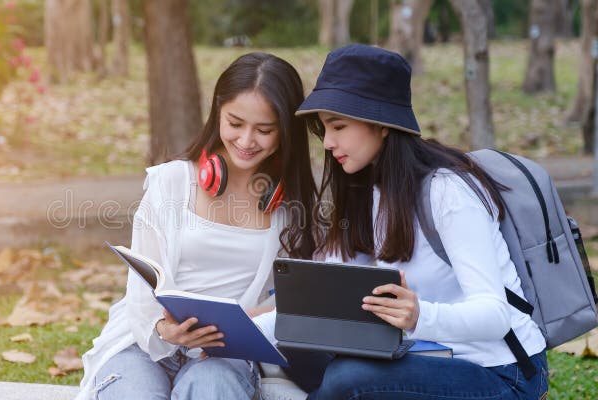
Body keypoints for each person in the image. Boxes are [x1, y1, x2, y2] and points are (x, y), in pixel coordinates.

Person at [282, 44, 548, 399]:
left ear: (382, 125)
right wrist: (247, 324)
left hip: (501, 372)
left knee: (348, 378)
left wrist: (420, 315)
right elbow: (332, 278)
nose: (328, 142)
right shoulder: (371, 186)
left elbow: (495, 315)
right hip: (427, 354)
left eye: (339, 126)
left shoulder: (447, 191)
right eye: (324, 129)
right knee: (296, 349)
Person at [76, 52, 317, 400]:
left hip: (224, 356)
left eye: (264, 130)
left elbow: (299, 301)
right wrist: (165, 329)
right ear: (218, 112)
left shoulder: (291, 208)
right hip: (143, 343)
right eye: (235, 123)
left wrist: (252, 320)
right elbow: (142, 288)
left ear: (285, 132)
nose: (246, 141)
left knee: (209, 388)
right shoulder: (172, 181)